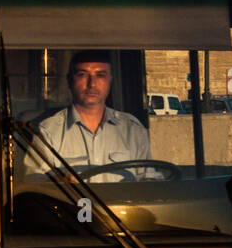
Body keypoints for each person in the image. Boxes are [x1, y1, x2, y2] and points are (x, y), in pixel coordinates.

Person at [26, 50, 152, 182]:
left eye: (100, 75)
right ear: (70, 80)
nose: (92, 84)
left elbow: (149, 181)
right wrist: (61, 182)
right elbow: (34, 183)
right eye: (82, 74)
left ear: (110, 80)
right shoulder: (49, 131)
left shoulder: (132, 130)